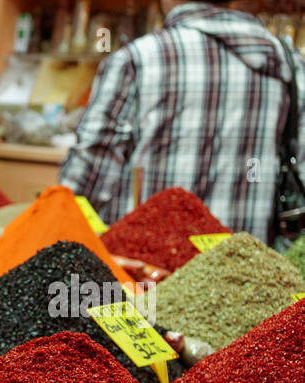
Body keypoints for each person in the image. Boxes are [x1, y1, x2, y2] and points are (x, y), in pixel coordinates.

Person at [61, 0, 305, 240]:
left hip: (146, 268)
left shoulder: (138, 59)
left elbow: (85, 180)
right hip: (246, 269)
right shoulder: (291, 66)